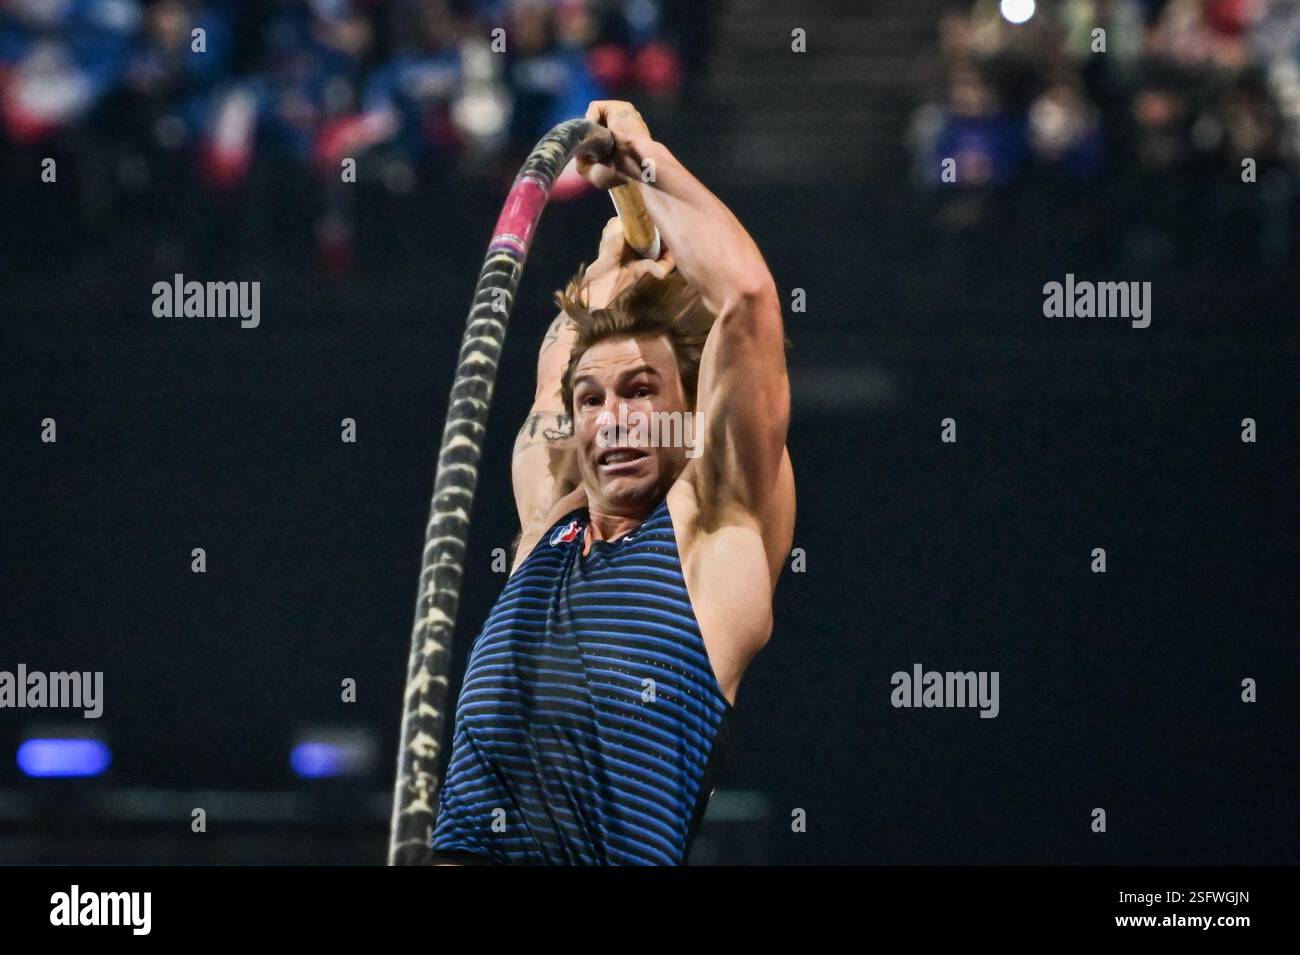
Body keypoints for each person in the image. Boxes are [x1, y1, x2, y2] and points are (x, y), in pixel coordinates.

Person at [429, 100, 795, 865]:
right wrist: (611, 257)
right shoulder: (547, 523)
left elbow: (749, 301)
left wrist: (645, 161)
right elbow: (559, 370)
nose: (614, 419)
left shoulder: (713, 528)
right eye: (594, 401)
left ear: (687, 408)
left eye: (640, 391)